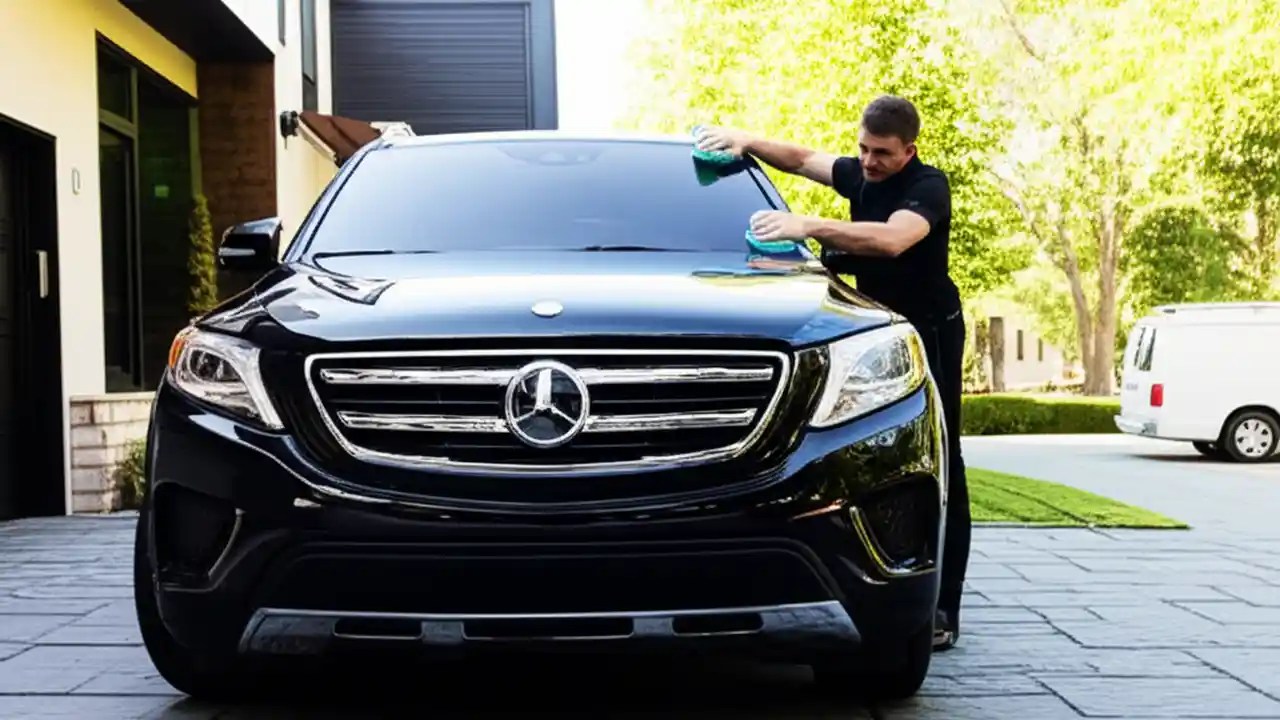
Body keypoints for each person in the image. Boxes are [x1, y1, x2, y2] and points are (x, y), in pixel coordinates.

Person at [695, 95, 970, 651]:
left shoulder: (928, 187)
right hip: (877, 329)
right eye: (863, 150)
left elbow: (893, 240)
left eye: (882, 154)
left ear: (909, 150)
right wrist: (746, 138)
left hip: (930, 331)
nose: (868, 162)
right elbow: (801, 159)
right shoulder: (861, 173)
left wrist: (808, 224)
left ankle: (943, 608)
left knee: (944, 460)